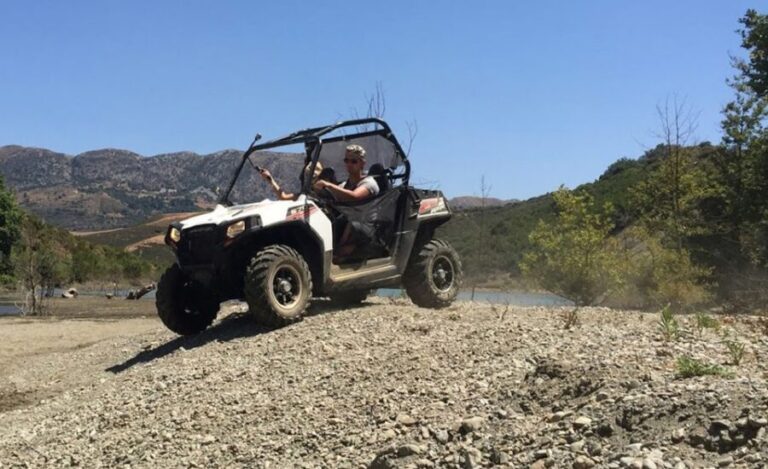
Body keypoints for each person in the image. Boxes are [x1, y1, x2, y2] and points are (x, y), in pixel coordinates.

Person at [314, 144, 379, 202]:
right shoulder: (343, 185)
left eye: (354, 161)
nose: (349, 164)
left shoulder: (369, 183)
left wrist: (328, 185)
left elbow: (354, 196)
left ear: (362, 164)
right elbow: (330, 195)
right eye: (346, 160)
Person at [259, 161, 331, 201]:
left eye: (311, 176)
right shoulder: (305, 195)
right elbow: (283, 197)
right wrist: (270, 179)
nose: (307, 179)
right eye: (307, 175)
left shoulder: (328, 193)